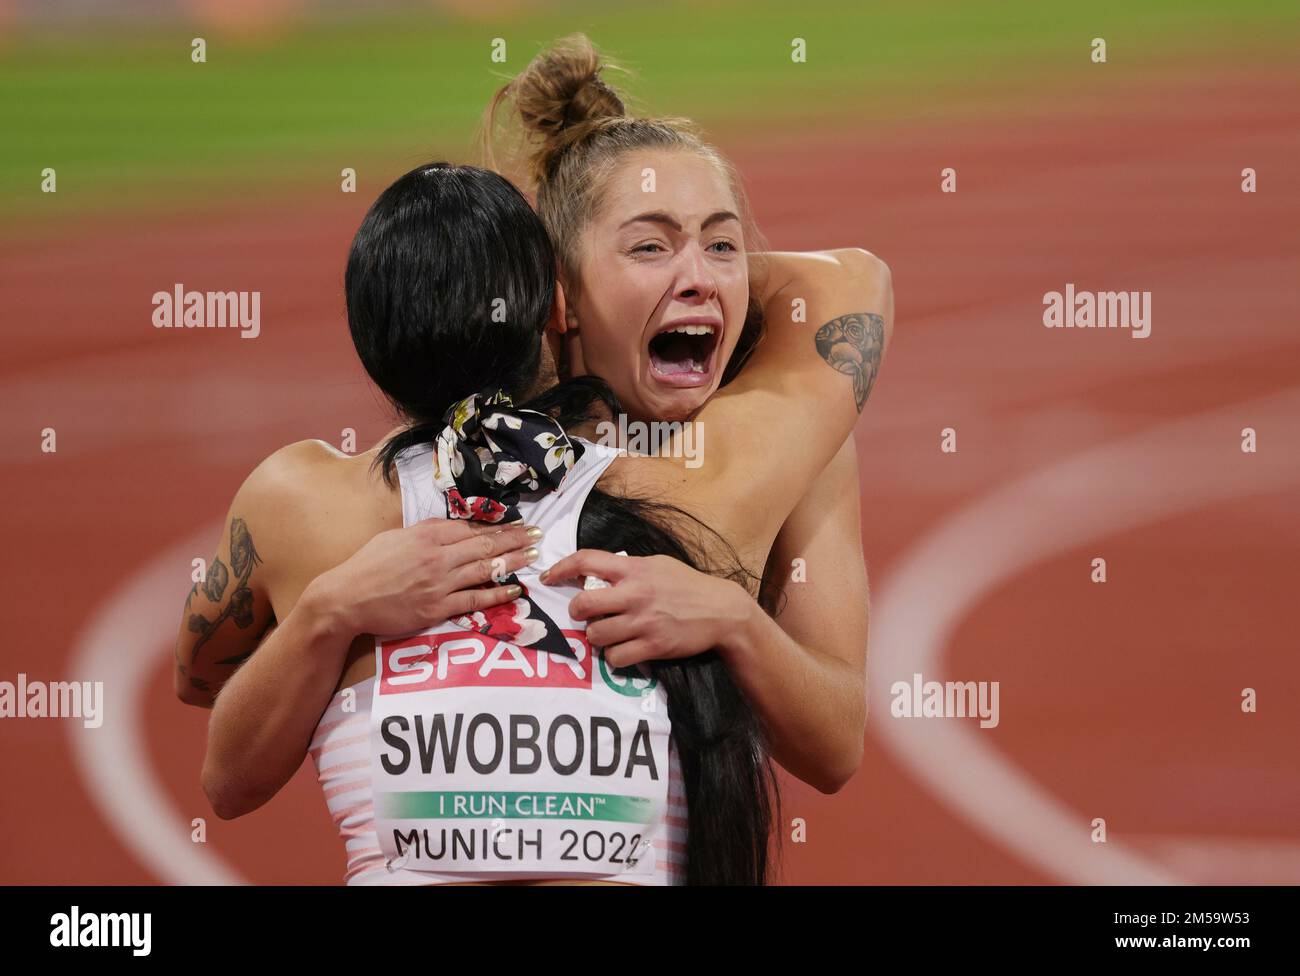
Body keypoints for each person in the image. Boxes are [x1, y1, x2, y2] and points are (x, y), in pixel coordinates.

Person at [178, 49, 890, 887]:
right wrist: (329, 611)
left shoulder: (742, 468)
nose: (696, 280)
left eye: (722, 246)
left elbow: (205, 679)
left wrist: (736, 620)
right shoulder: (728, 476)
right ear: (558, 296)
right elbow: (854, 284)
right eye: (650, 247)